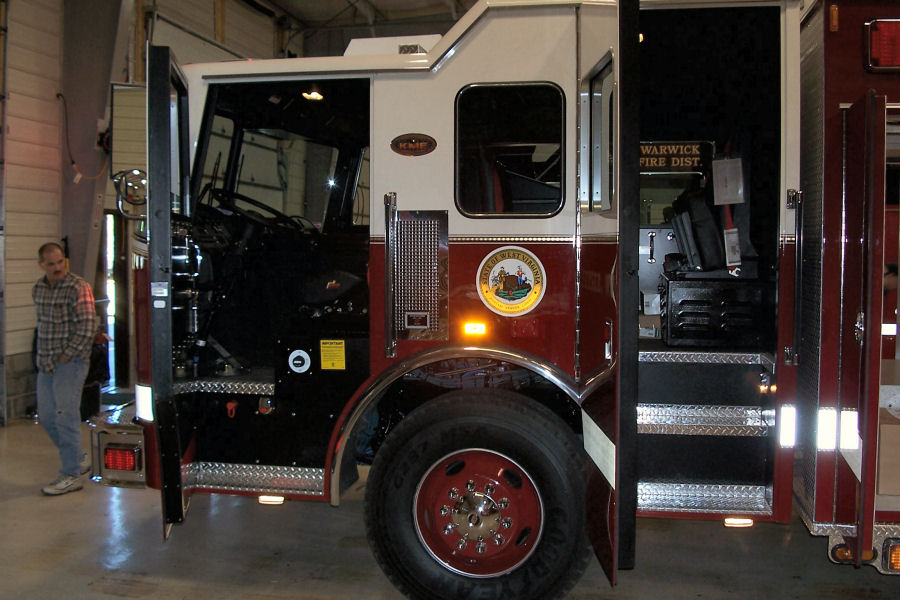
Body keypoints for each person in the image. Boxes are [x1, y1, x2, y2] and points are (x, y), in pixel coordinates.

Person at [33, 242, 98, 495]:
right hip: (46, 363)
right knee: (48, 417)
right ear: (42, 265)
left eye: (61, 262)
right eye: (51, 264)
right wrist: (44, 358)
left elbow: (87, 327)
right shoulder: (38, 289)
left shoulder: (78, 287)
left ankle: (71, 474)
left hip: (70, 363)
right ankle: (78, 458)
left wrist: (66, 356)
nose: (57, 267)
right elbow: (43, 326)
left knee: (65, 415)